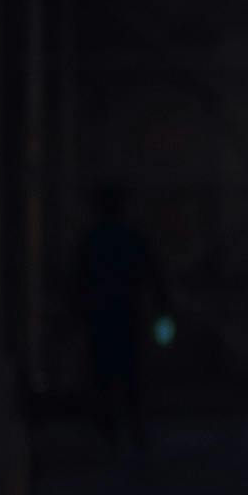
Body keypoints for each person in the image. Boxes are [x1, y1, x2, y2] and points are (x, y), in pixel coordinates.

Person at [74, 184, 168, 452]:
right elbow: (152, 272)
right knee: (129, 373)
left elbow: (78, 280)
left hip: (102, 315)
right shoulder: (131, 238)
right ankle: (131, 427)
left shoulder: (92, 240)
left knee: (104, 373)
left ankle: (110, 429)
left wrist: (75, 314)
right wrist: (163, 305)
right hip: (126, 313)